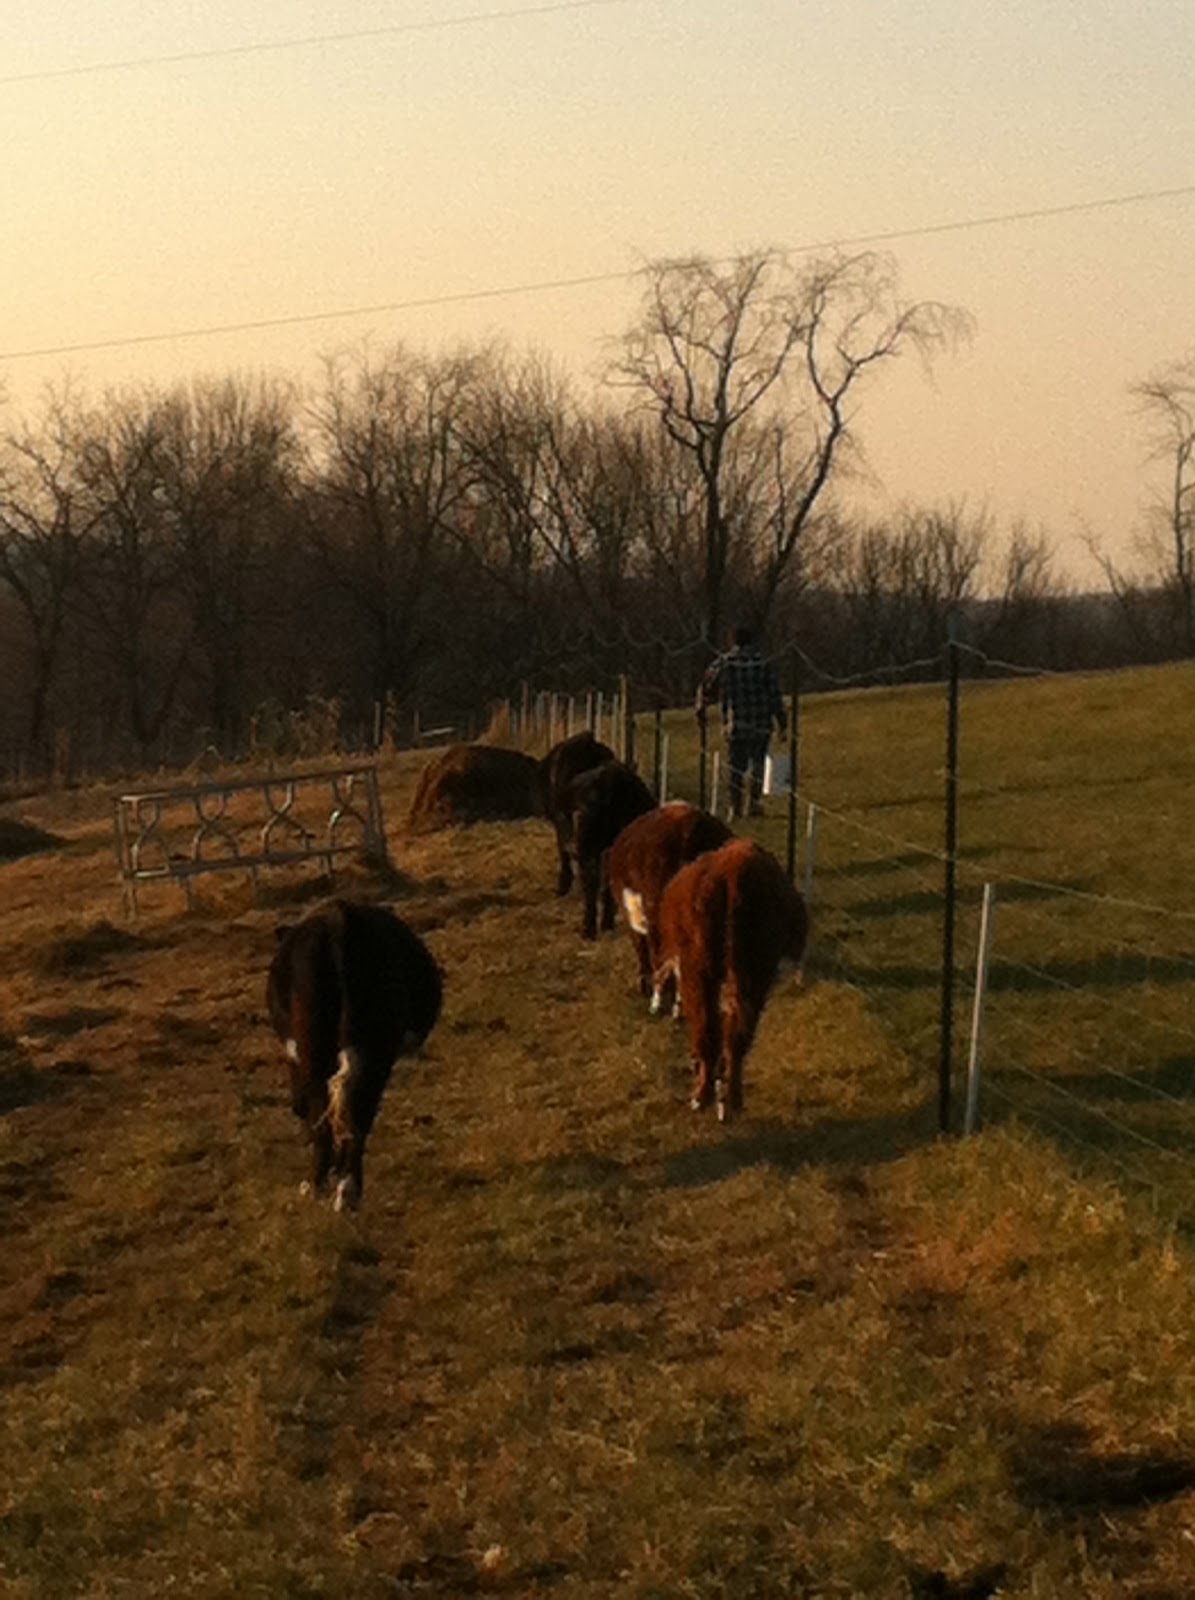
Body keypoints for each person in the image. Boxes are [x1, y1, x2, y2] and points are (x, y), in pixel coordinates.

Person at [696, 625, 787, 820]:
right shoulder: (763, 663)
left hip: (735, 723)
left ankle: (735, 807)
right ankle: (753, 804)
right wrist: (782, 723)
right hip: (761, 722)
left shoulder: (724, 662)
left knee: (736, 766)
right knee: (757, 765)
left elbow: (707, 684)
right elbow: (775, 695)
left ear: (733, 641)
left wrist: (701, 708)